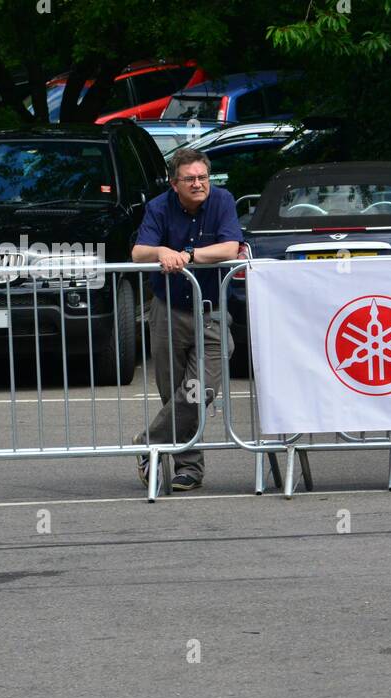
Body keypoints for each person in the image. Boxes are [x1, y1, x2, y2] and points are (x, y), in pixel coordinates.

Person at [131, 149, 242, 491]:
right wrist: (161, 251)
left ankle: (148, 441)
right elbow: (138, 253)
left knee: (199, 390)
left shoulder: (222, 201)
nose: (198, 184)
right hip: (168, 309)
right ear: (174, 182)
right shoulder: (159, 207)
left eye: (202, 177)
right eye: (190, 179)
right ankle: (189, 468)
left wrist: (188, 255)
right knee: (173, 390)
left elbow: (230, 247)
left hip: (210, 310)